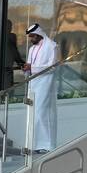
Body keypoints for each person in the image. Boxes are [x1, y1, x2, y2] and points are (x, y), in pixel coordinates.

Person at [23, 23, 59, 153]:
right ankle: (34, 145)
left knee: (42, 113)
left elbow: (53, 66)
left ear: (39, 34)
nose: (31, 39)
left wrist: (32, 68)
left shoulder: (52, 46)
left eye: (33, 36)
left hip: (45, 85)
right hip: (33, 85)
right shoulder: (31, 49)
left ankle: (47, 145)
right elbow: (29, 66)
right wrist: (26, 69)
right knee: (32, 114)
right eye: (30, 37)